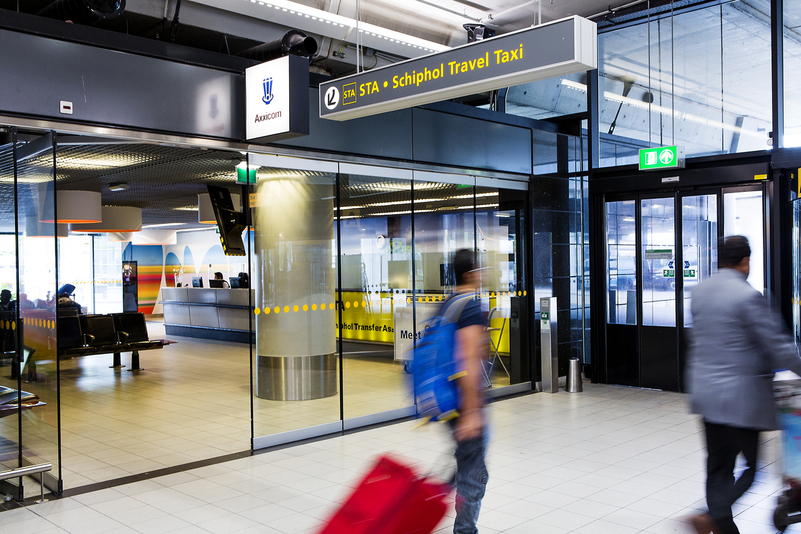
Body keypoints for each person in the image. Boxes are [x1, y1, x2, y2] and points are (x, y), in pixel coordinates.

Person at [688, 236, 801, 534]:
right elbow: (778, 347)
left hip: (706, 397)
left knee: (718, 469)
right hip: (741, 400)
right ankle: (709, 517)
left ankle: (719, 524)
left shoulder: (699, 292)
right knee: (751, 469)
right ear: (745, 261)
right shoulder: (748, 296)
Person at [447, 249, 489, 534]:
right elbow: (469, 361)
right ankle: (464, 531)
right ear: (469, 274)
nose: (482, 273)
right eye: (478, 269)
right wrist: (472, 412)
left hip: (448, 402)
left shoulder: (448, 304)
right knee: (474, 477)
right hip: (464, 404)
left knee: (468, 466)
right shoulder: (469, 307)